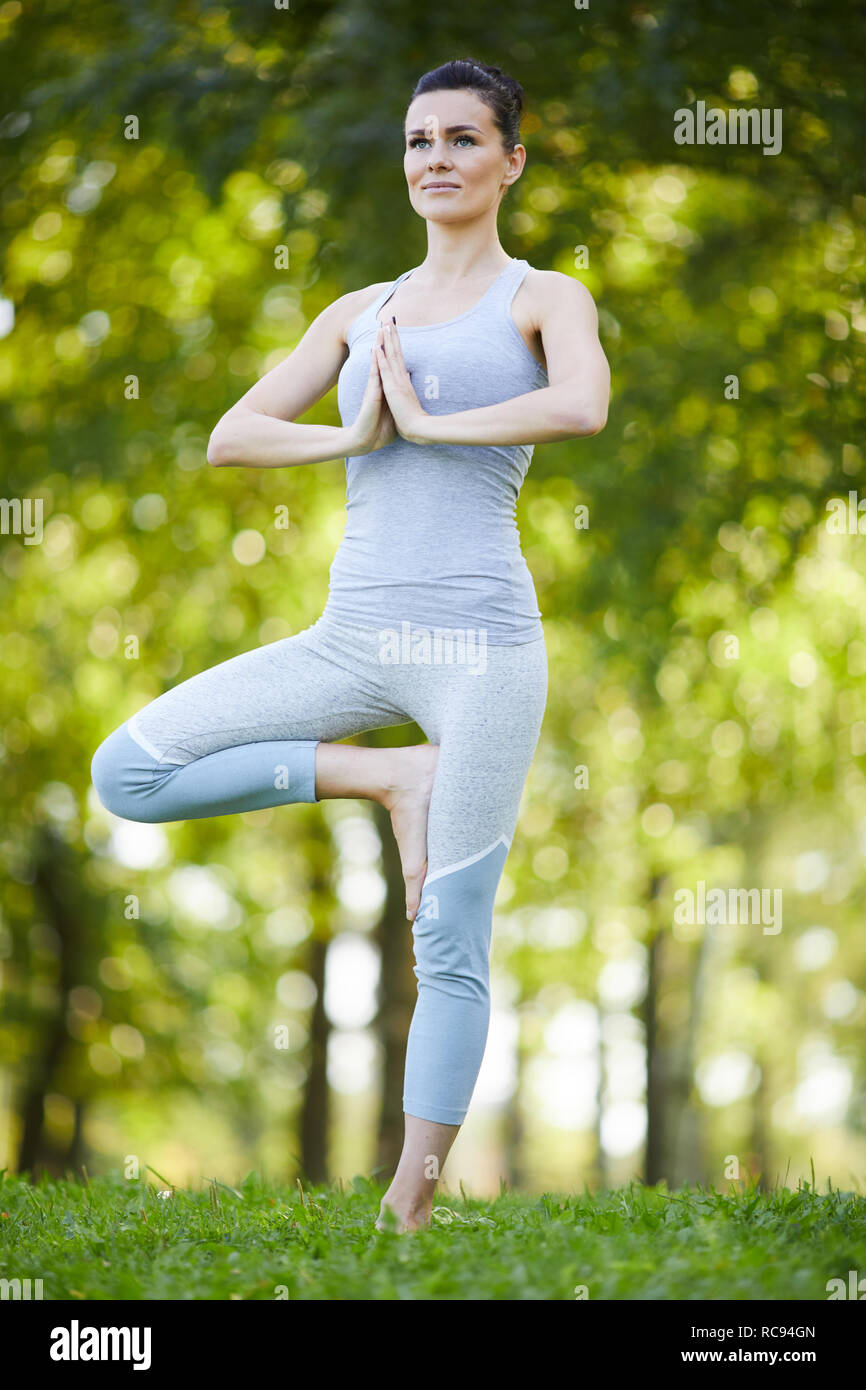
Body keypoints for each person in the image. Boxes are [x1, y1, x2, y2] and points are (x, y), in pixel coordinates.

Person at [91, 57, 610, 1233]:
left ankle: (407, 1211)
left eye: (463, 140)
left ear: (510, 161)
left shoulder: (542, 296)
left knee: (448, 935)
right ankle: (386, 773)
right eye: (420, 140)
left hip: (480, 647)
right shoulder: (354, 311)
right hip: (352, 635)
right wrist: (359, 437)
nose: (436, 158)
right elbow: (233, 436)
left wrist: (430, 423)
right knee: (128, 771)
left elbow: (581, 405)